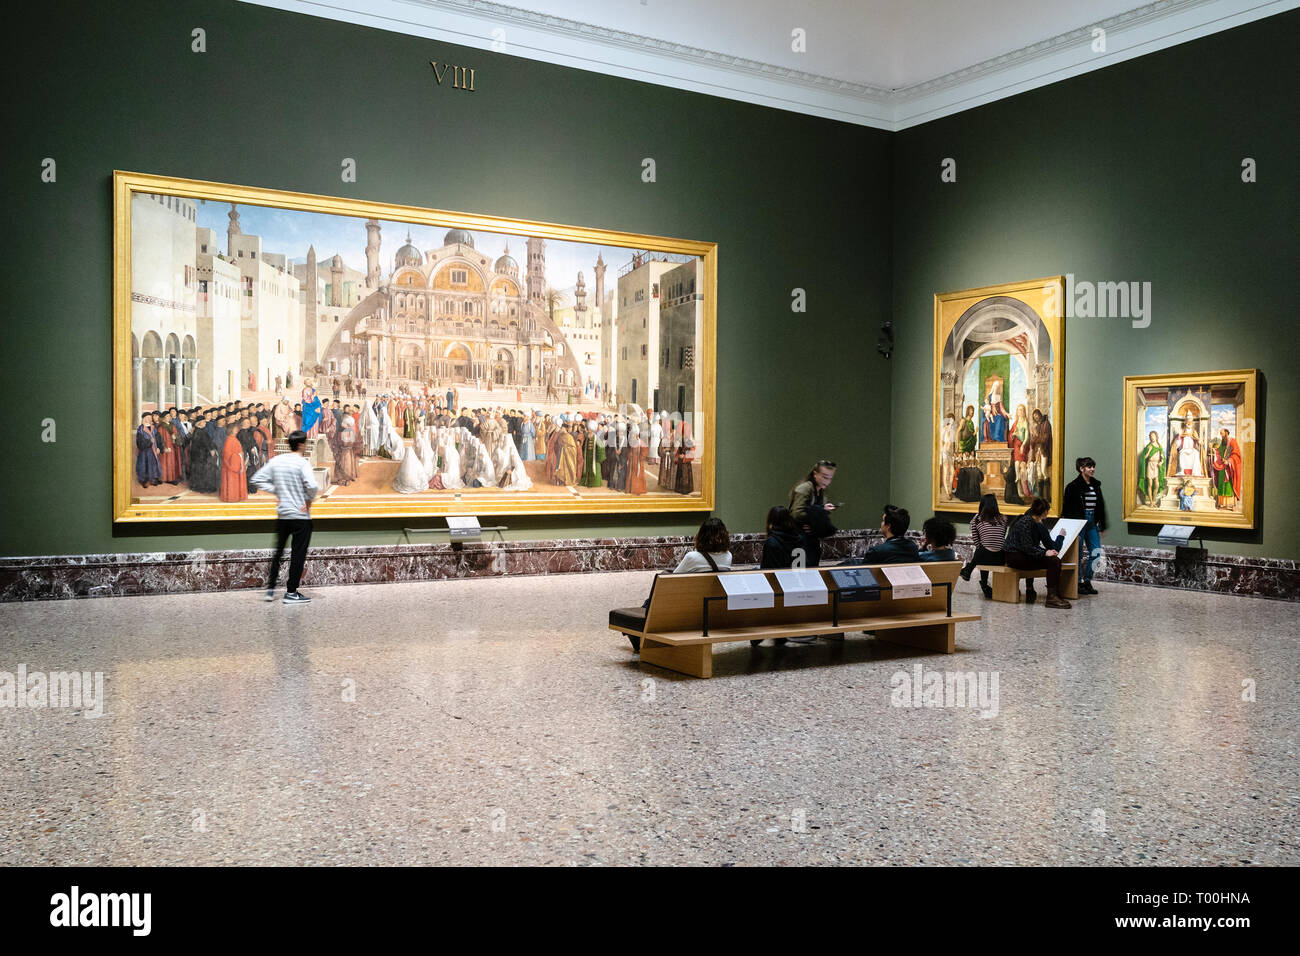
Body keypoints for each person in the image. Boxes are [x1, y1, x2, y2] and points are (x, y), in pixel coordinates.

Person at [251, 430, 319, 604]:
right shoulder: (302, 463)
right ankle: (291, 592)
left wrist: (277, 491)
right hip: (300, 516)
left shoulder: (277, 461)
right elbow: (312, 485)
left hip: (283, 515)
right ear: (302, 444)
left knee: (278, 552)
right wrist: (308, 500)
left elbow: (257, 479)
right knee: (298, 554)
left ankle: (271, 589)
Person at [1004, 497, 1070, 608]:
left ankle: (1054, 595)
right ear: (1044, 512)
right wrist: (1045, 553)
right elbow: (1027, 547)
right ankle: (1052, 597)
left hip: (1017, 555)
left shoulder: (1028, 520)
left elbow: (1030, 547)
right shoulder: (1026, 522)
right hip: (1014, 557)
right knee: (1054, 561)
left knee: (1054, 560)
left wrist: (1046, 552)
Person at [1062, 456, 1106, 595]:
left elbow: (1101, 506)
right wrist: (1070, 526)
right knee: (1078, 553)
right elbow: (1067, 508)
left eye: (1093, 466)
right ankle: (1078, 582)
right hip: (1078, 521)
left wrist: (1103, 524)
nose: (1092, 469)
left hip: (1092, 520)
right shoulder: (1073, 487)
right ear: (1081, 469)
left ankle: (1087, 580)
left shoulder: (1095, 485)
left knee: (1096, 552)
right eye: (1089, 467)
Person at [788, 460, 837, 566]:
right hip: (799, 540)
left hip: (811, 539)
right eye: (824, 477)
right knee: (802, 573)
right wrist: (820, 511)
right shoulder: (804, 488)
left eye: (830, 478)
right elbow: (796, 513)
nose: (827, 481)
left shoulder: (821, 492)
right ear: (815, 474)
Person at [960, 493, 1007, 599]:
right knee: (985, 550)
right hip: (1001, 558)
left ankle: (975, 576)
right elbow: (1001, 538)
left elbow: (977, 543)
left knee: (982, 549)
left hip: (984, 557)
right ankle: (969, 570)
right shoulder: (1004, 519)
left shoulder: (977, 520)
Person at [841, 504, 919, 565]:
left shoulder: (877, 552)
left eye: (883, 521)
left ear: (888, 526)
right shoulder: (913, 548)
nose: (881, 524)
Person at [1210, 428, 1242, 509]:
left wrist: (1229, 461)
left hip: (1230, 468)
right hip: (1222, 468)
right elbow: (1220, 451)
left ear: (1226, 433)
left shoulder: (1232, 441)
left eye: (1222, 433)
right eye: (1220, 434)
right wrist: (1214, 450)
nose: (1221, 435)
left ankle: (1232, 504)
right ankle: (1222, 504)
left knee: (1229, 485)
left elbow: (1236, 454)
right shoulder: (1223, 442)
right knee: (1221, 484)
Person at [1137, 430, 1166, 506]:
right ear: (1150, 437)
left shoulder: (1159, 446)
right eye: (1151, 436)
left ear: (1156, 437)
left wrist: (1161, 462)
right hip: (1150, 465)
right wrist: (1149, 451)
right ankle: (1151, 502)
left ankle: (1153, 500)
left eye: (1154, 436)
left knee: (1157, 485)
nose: (1152, 437)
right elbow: (1144, 457)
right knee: (1150, 484)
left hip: (1156, 466)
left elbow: (1162, 457)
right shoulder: (1148, 446)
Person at [135, 413, 163, 487]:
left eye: (150, 418)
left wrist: (158, 447)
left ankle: (153, 479)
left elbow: (158, 438)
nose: (149, 419)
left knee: (154, 464)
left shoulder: (153, 427)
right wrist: (150, 442)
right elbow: (139, 442)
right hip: (145, 451)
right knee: (144, 465)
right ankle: (144, 481)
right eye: (147, 418)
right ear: (144, 418)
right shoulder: (141, 429)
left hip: (154, 450)